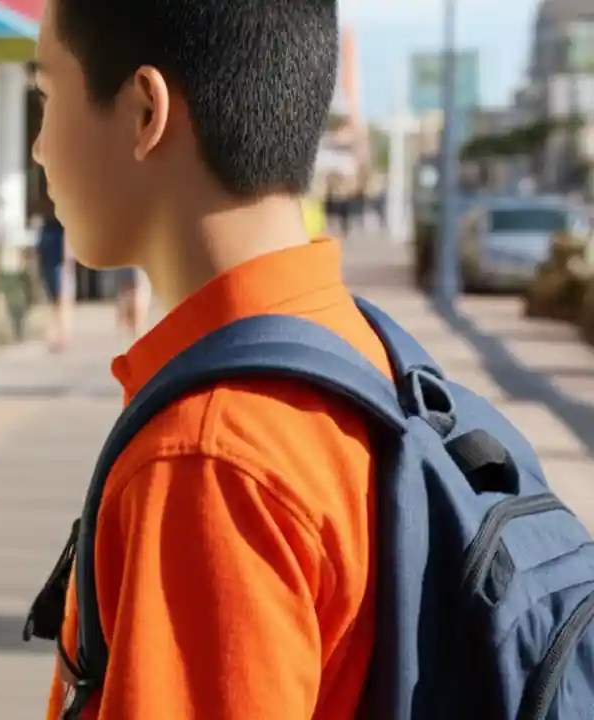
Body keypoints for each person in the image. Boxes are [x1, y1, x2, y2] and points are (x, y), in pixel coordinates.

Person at [30, 1, 389, 717]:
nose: (38, 148)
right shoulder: (358, 348)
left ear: (144, 112)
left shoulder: (208, 458)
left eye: (46, 97)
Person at [35, 197, 73, 352]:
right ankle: (58, 334)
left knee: (62, 300)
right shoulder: (46, 228)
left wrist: (68, 261)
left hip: (59, 265)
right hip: (51, 265)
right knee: (56, 301)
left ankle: (62, 335)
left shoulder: (60, 226)